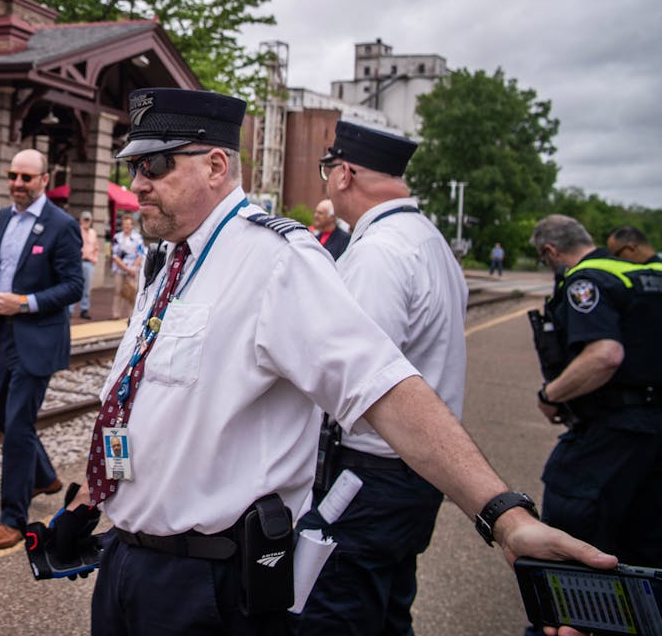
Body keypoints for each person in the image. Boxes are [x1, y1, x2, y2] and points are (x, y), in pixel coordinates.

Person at [59, 88, 610, 636]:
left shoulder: (277, 260)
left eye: (155, 164)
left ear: (216, 165)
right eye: (134, 166)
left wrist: (505, 517)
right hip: (127, 562)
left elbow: (383, 389)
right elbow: (140, 397)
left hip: (205, 586)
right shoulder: (174, 259)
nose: (138, 184)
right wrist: (94, 494)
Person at [294, 120, 468, 635]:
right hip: (410, 472)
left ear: (343, 173)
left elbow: (349, 372)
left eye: (328, 171)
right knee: (388, 609)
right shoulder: (428, 240)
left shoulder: (377, 252)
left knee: (335, 612)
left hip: (368, 475)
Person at [529, 214, 662, 566]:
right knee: (644, 542)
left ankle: (562, 618)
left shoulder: (585, 282)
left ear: (550, 251)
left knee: (570, 520)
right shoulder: (645, 274)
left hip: (614, 426)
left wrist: (551, 395)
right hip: (654, 433)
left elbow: (604, 355)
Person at [0, 148, 84, 549]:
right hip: (4, 334)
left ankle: (12, 518)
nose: (18, 184)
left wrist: (22, 303)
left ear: (44, 180)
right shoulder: (2, 218)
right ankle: (44, 476)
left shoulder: (61, 225)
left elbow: (74, 286)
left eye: (26, 178)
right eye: (13, 175)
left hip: (38, 336)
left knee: (17, 424)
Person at [109, 214, 143, 319]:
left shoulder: (137, 238)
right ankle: (116, 314)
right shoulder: (117, 237)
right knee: (118, 291)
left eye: (129, 224)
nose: (126, 226)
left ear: (132, 225)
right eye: (125, 224)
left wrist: (132, 268)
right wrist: (126, 268)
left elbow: (141, 254)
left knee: (132, 293)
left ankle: (131, 316)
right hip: (119, 269)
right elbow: (114, 255)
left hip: (133, 270)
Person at [75, 210, 99, 319]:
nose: (86, 221)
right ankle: (70, 309)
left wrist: (94, 259)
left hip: (89, 262)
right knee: (74, 285)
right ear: (81, 220)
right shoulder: (76, 231)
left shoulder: (93, 233)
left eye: (88, 220)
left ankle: (84, 309)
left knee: (87, 288)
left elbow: (96, 248)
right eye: (84, 219)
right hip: (78, 261)